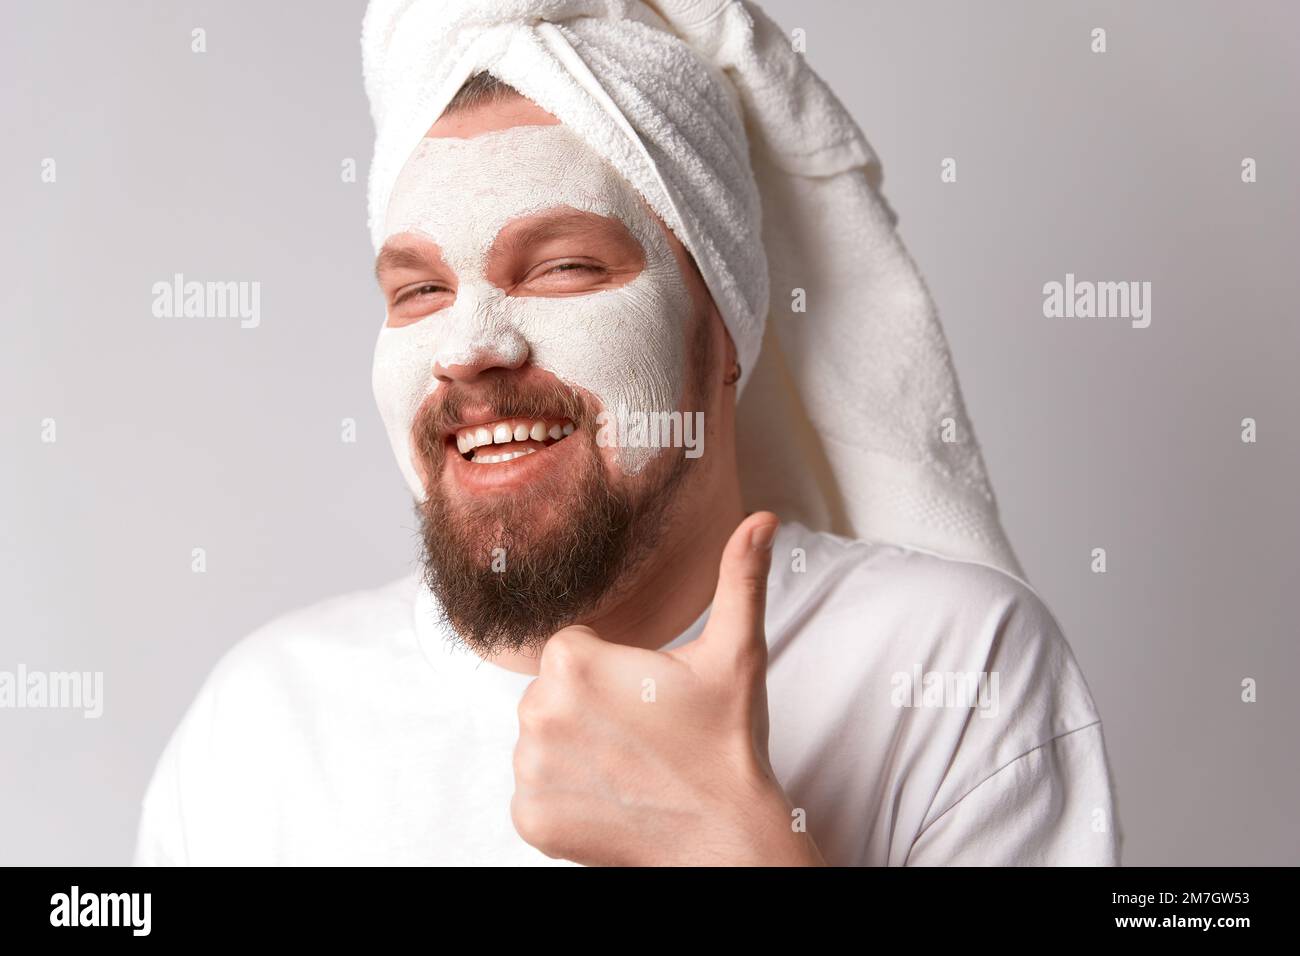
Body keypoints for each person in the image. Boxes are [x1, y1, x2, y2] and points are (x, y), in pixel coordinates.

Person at [133, 1, 1122, 866]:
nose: (469, 347)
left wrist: (737, 848)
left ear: (724, 325)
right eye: (420, 289)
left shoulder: (950, 668)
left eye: (561, 267)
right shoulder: (258, 726)